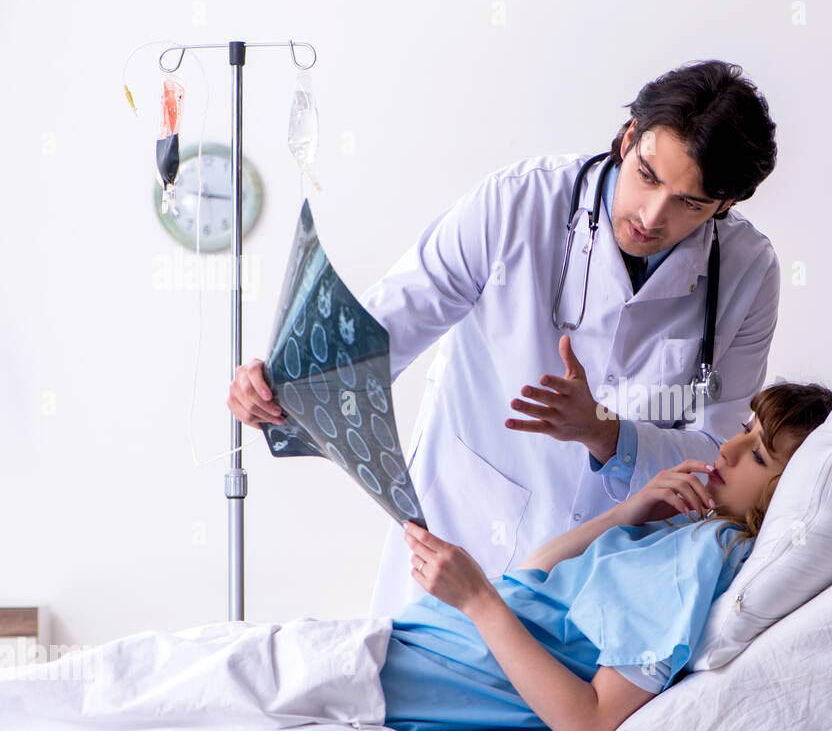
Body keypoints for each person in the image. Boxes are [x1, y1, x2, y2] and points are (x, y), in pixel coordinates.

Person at [226, 60, 781, 627]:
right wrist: (286, 384)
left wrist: (605, 432)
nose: (651, 214)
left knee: (567, 712)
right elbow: (390, 319)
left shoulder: (748, 274)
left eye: (690, 203)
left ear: (725, 206)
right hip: (469, 527)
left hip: (619, 567)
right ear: (627, 137)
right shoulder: (519, 203)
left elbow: (720, 455)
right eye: (648, 175)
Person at [248, 381, 832, 731]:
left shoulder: (706, 554)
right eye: (745, 429)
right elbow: (533, 580)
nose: (730, 449)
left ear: (784, 499)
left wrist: (478, 600)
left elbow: (594, 723)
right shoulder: (679, 533)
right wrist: (626, 512)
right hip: (392, 655)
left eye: (759, 456)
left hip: (396, 682)